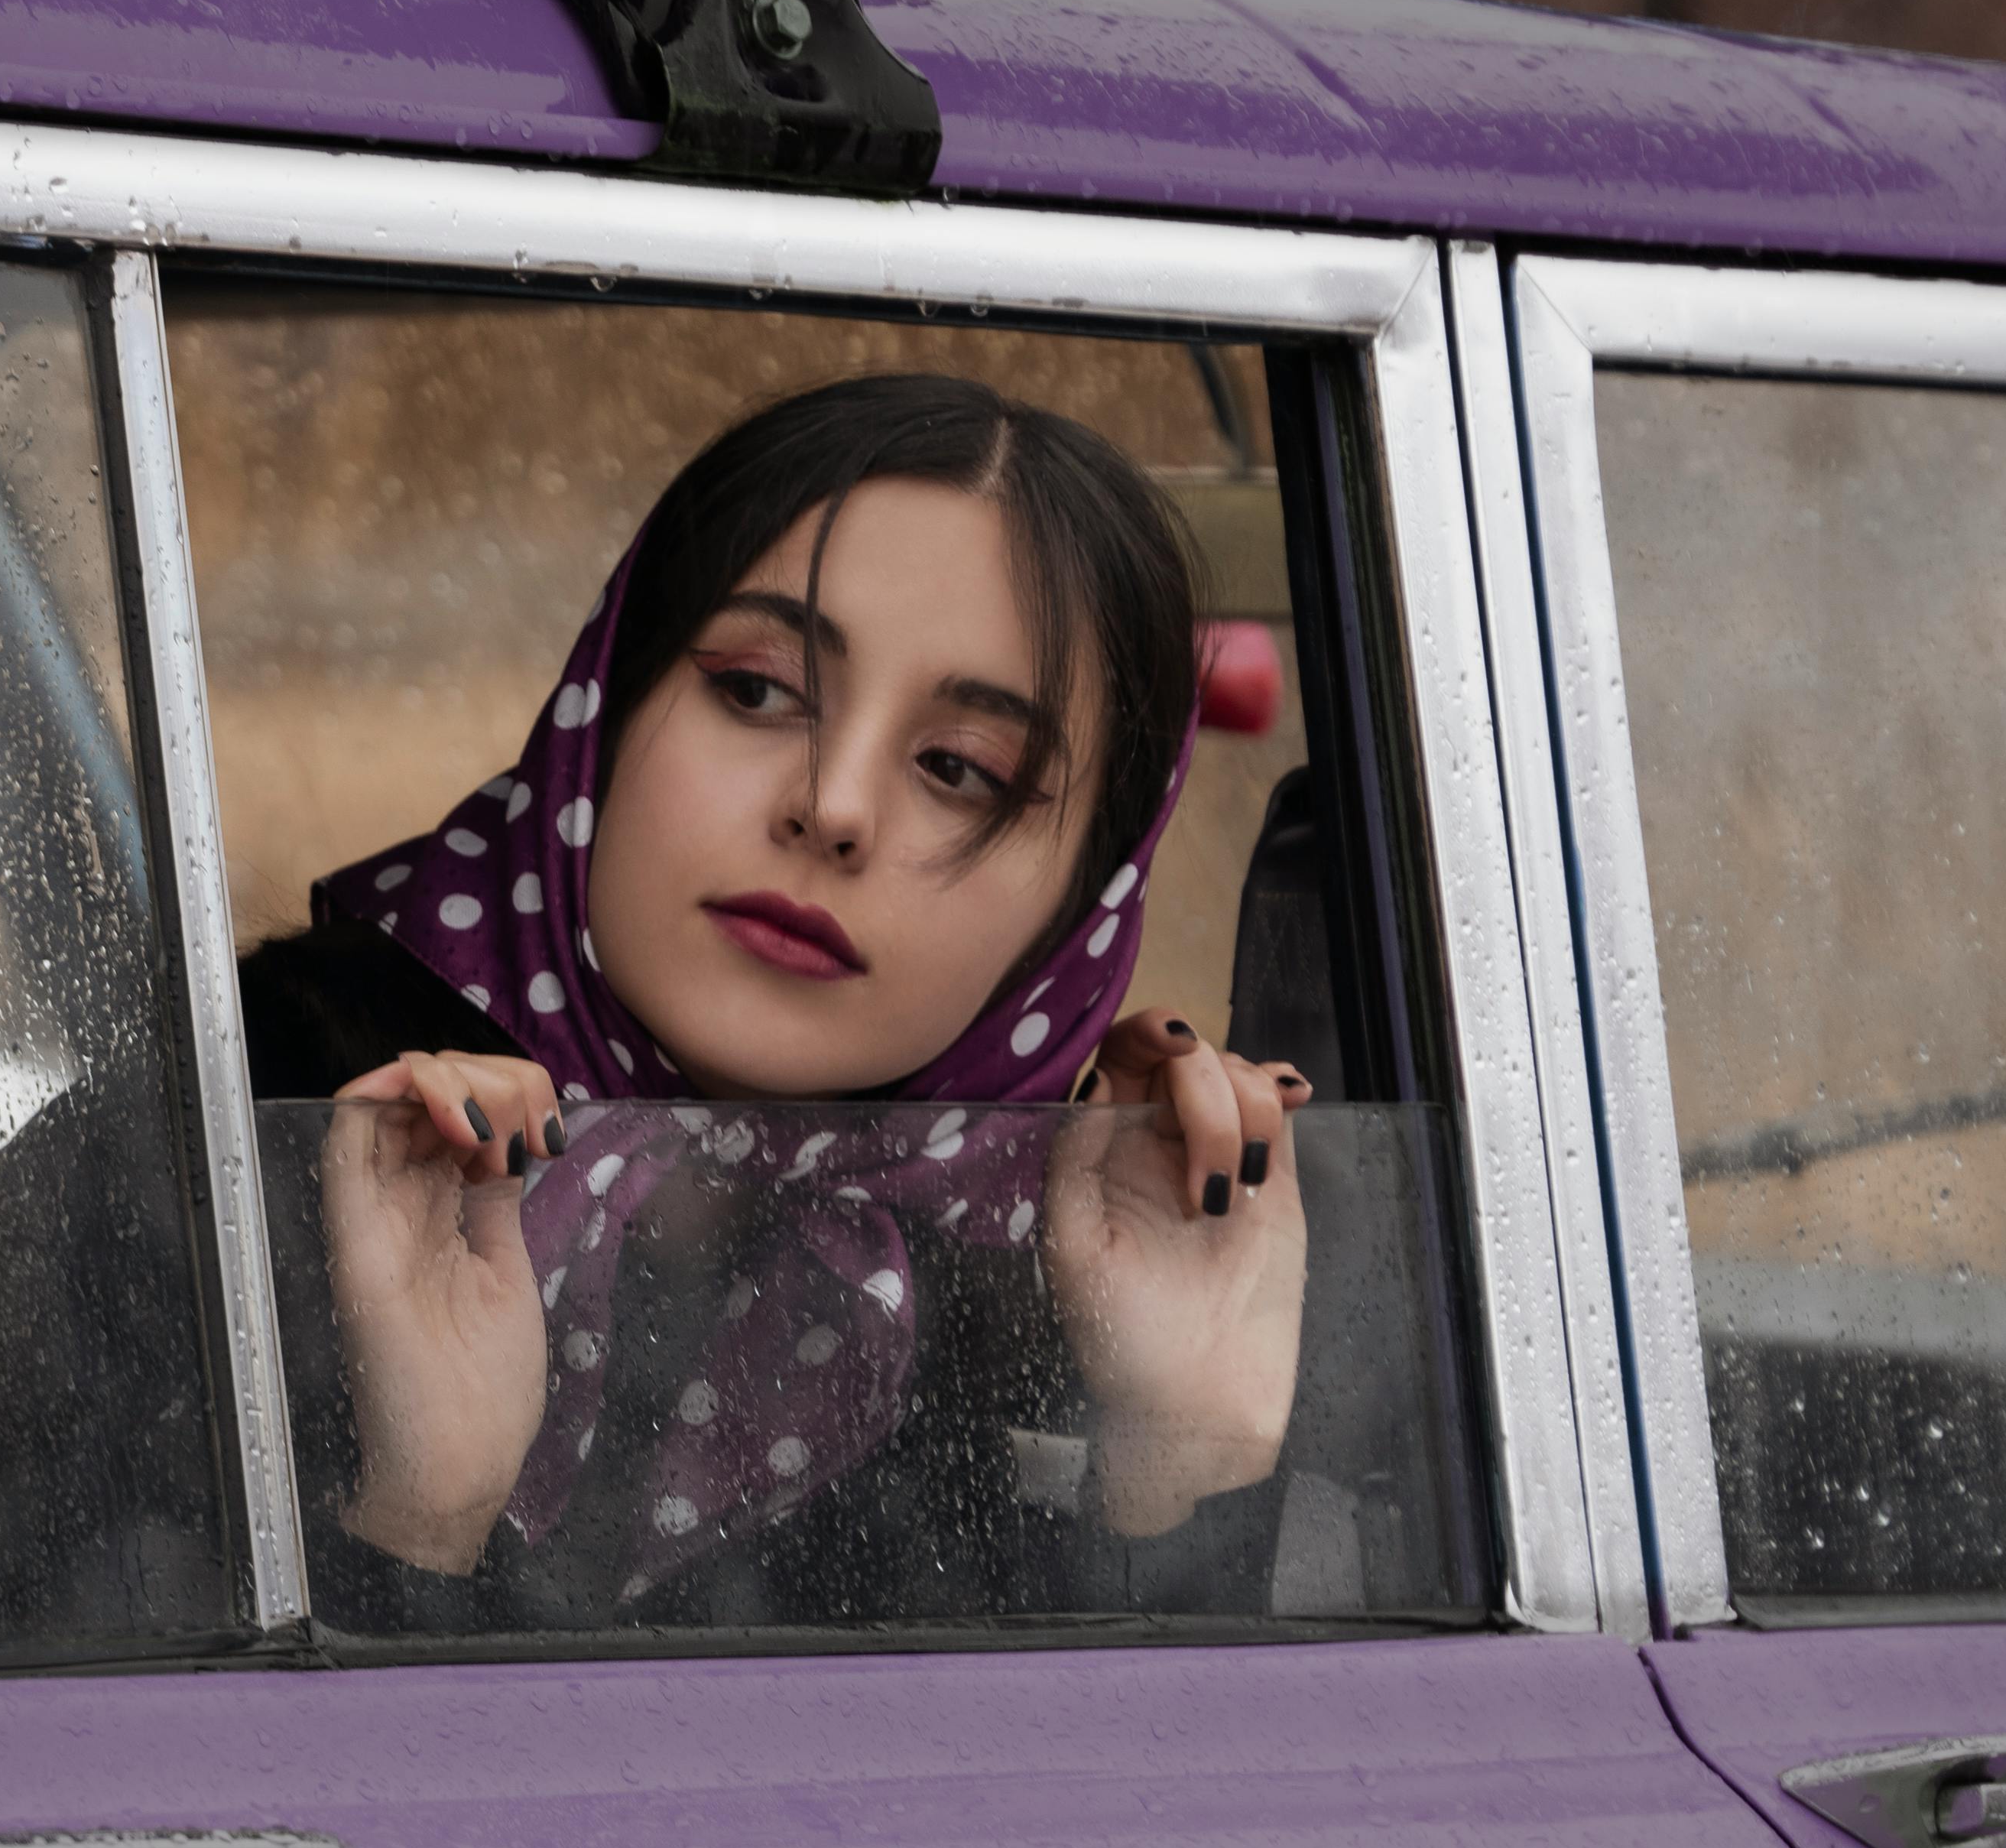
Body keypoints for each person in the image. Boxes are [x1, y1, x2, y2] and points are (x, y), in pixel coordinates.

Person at [235, 372, 1311, 1631]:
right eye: (756, 691)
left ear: (1080, 916)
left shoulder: (1018, 1268)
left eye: (961, 770)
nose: (834, 806)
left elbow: (1117, 1815)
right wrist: (417, 1519)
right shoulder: (241, 1124)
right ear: (611, 705)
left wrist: (1172, 1468)